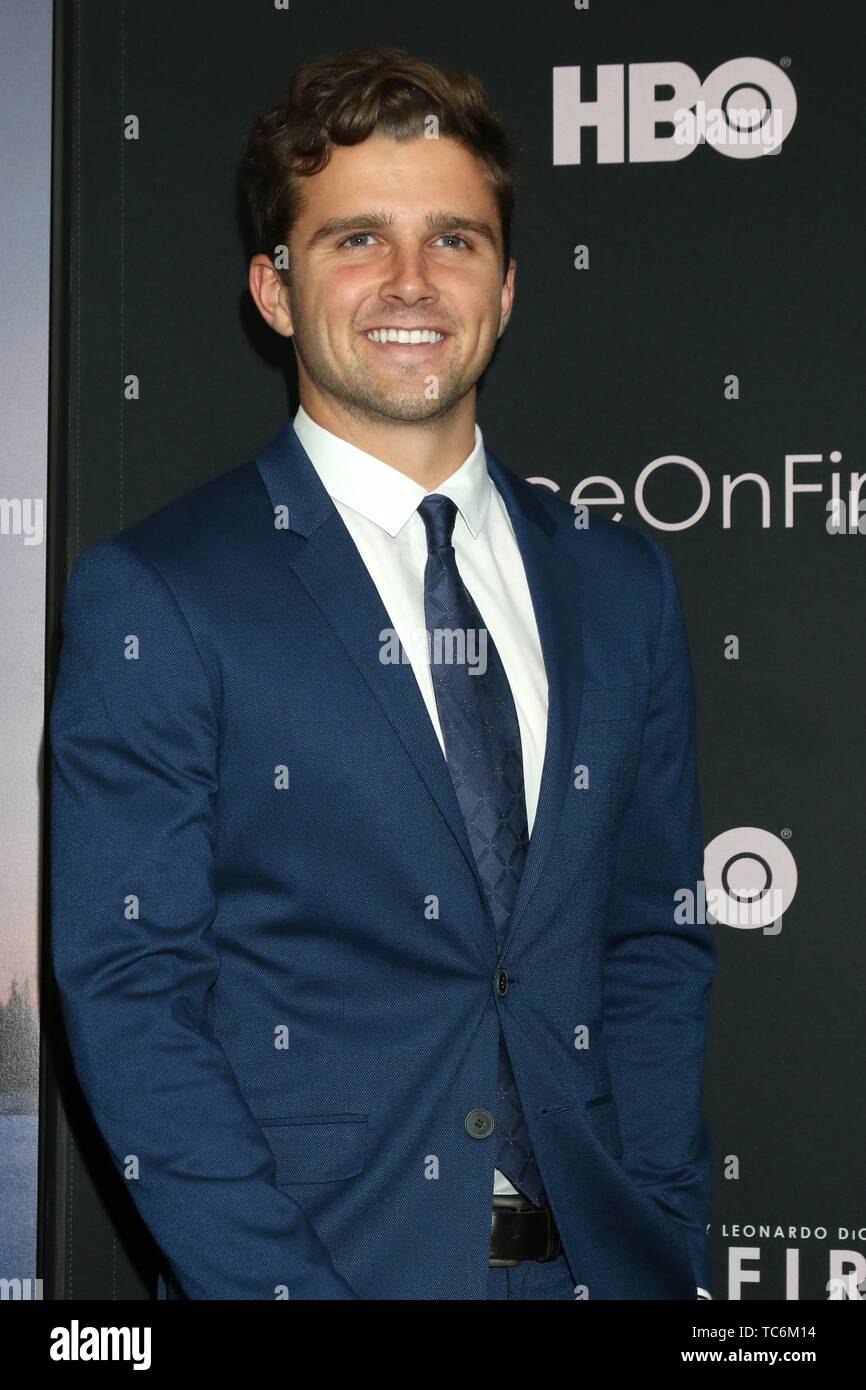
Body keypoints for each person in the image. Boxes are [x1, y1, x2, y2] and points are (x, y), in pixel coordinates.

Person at [50, 45, 717, 1300]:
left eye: (452, 241)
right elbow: (134, 992)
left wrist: (665, 1228)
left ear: (507, 287)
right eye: (355, 239)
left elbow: (652, 943)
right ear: (273, 287)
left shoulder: (623, 589)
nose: (409, 281)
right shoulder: (163, 595)